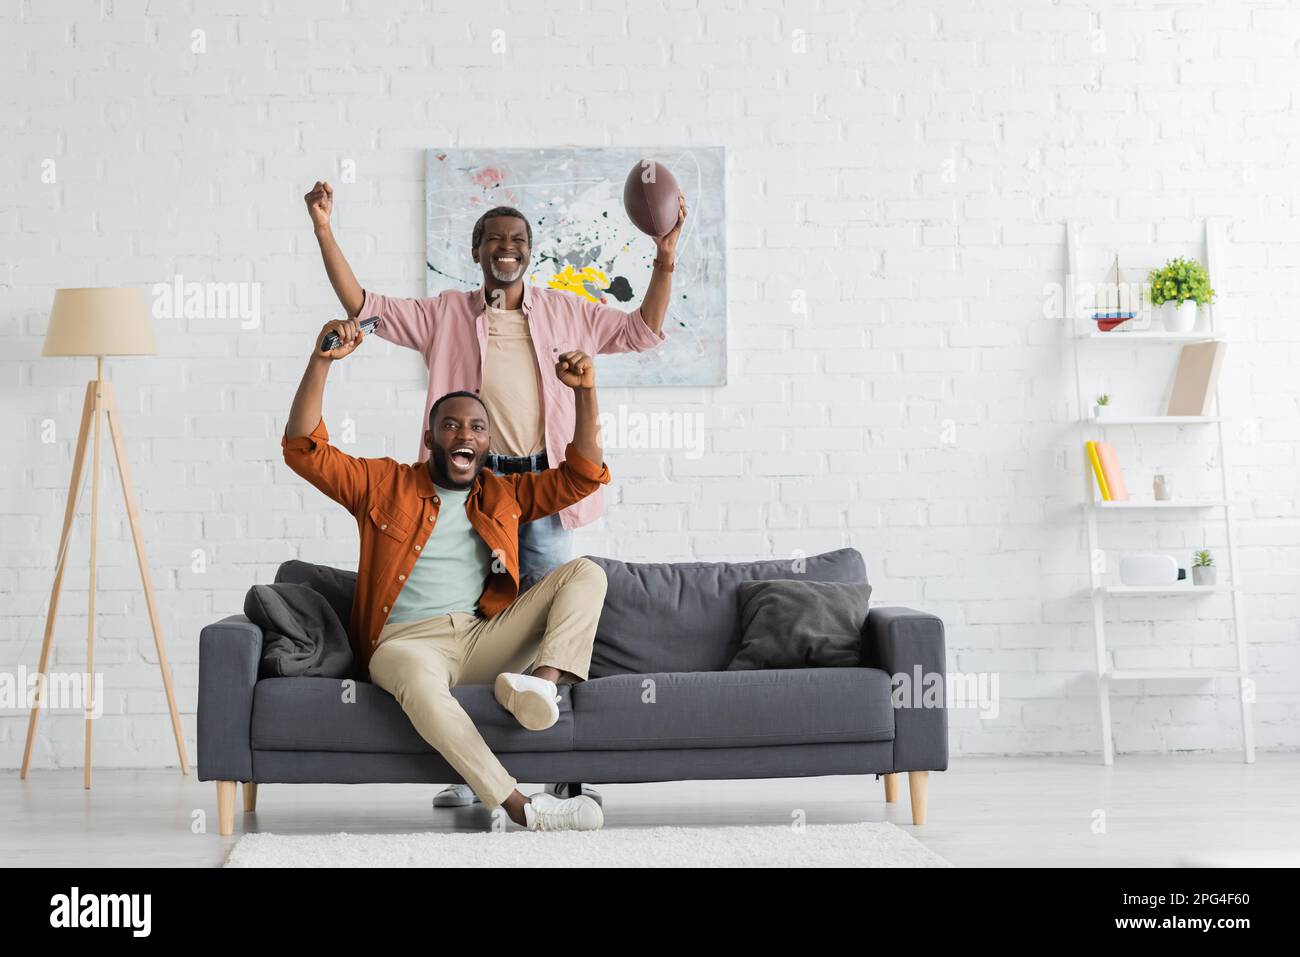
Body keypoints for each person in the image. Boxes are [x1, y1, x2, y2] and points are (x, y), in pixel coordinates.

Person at [305, 180, 685, 807]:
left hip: (539, 490)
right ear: (477, 249)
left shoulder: (568, 310)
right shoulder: (445, 313)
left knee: (561, 623)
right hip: (471, 495)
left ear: (529, 253)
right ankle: (468, 770)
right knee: (468, 629)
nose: (506, 248)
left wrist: (665, 256)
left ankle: (566, 765)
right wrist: (324, 227)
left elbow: (643, 331)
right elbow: (363, 305)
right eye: (495, 239)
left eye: (518, 240)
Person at [282, 316, 612, 831]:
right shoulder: (383, 483)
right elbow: (304, 449)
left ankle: (539, 686)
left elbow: (583, 476)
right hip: (406, 644)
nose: (466, 434)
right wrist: (321, 361)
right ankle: (521, 808)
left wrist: (586, 394)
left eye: (477, 427)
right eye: (452, 425)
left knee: (586, 571)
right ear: (430, 437)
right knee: (415, 677)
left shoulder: (502, 493)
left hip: (480, 638)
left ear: (486, 443)